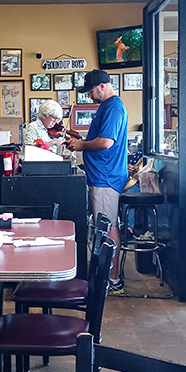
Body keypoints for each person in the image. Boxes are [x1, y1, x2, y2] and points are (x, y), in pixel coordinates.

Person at [66, 69, 128, 294]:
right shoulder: (106, 107)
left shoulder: (113, 107)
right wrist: (81, 141)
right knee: (104, 225)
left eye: (91, 91)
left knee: (107, 226)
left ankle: (112, 279)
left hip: (106, 176)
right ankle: (106, 275)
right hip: (101, 175)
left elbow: (105, 143)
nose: (89, 96)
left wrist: (82, 145)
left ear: (102, 86)